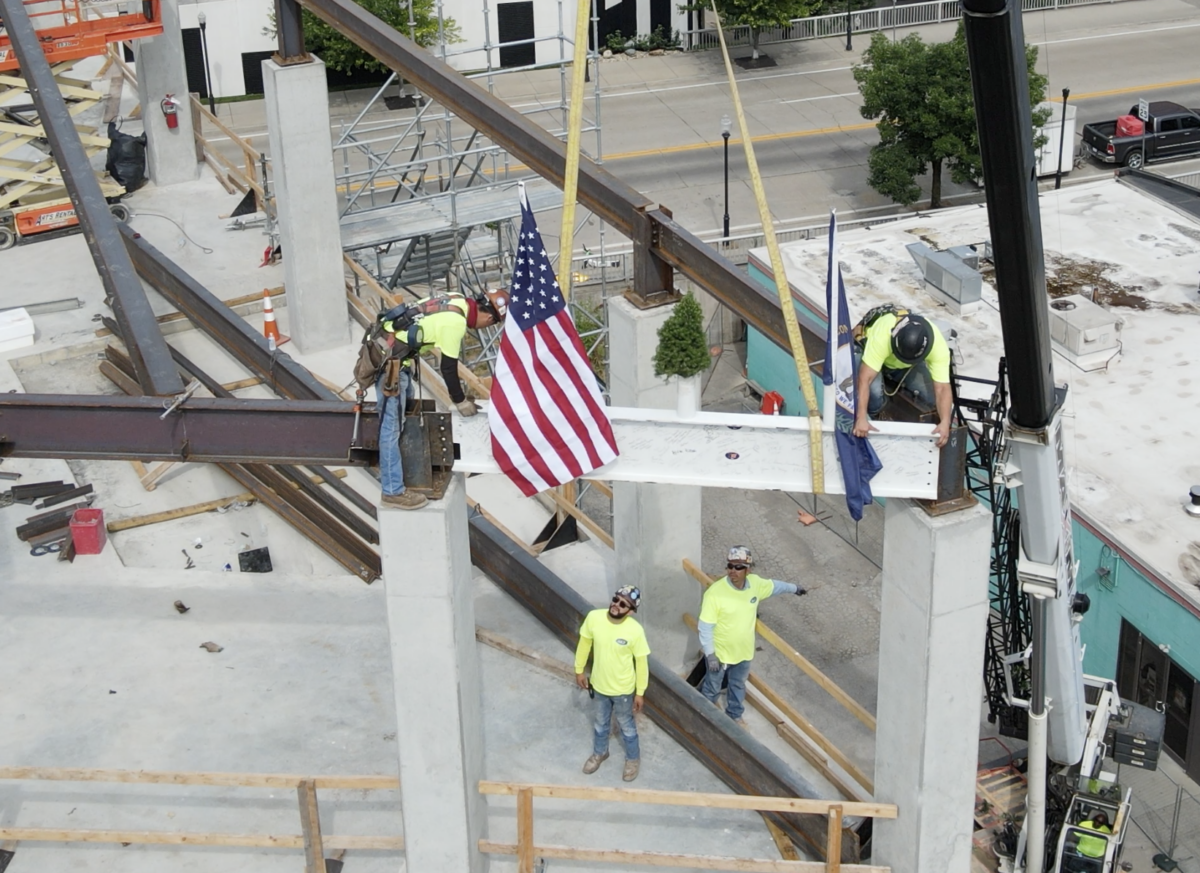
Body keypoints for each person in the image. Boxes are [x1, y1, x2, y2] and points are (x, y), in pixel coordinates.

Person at [377, 289, 508, 509]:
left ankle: (406, 475)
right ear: (488, 317)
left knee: (404, 421)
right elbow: (448, 367)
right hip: (390, 365)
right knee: (390, 428)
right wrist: (460, 401)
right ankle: (392, 491)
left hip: (396, 357)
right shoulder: (455, 322)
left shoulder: (456, 297)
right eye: (492, 324)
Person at [698, 546, 806, 725]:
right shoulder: (715, 594)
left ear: (748, 569)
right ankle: (703, 719)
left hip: (743, 652)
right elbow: (705, 627)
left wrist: (795, 588)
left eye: (738, 567)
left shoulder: (755, 585)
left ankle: (734, 715)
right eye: (730, 566)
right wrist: (710, 654)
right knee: (712, 688)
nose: (733, 571)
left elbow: (775, 586)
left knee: (738, 685)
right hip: (720, 654)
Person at [574, 585, 650, 782]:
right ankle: (600, 752)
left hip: (623, 691)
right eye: (616, 599)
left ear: (631, 611)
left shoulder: (635, 631)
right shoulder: (594, 618)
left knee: (627, 725)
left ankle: (633, 759)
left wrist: (640, 692)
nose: (616, 605)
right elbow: (584, 644)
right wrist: (579, 670)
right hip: (598, 686)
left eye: (623, 604)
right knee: (600, 723)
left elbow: (642, 664)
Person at [850, 306, 953, 448]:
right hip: (866, 352)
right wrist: (861, 418)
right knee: (873, 392)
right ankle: (878, 414)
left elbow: (942, 388)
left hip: (902, 365)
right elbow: (864, 379)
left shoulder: (937, 345)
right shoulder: (883, 335)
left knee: (930, 398)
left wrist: (945, 423)